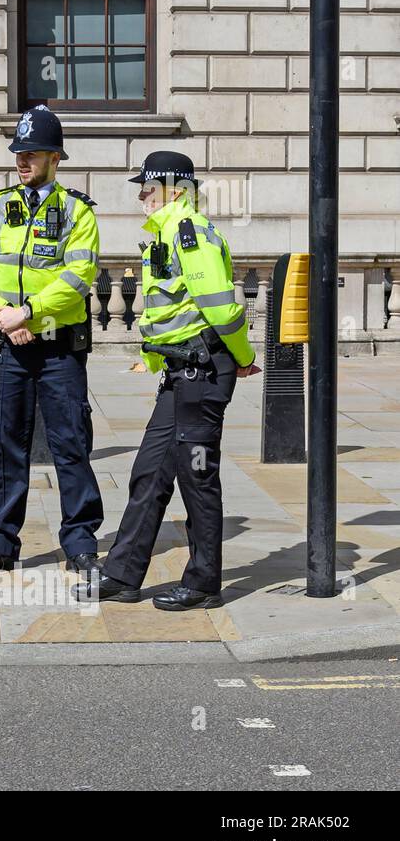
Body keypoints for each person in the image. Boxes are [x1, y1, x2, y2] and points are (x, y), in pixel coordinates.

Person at [74, 151, 260, 611]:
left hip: (202, 372)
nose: (140, 195)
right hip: (180, 374)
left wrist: (243, 357)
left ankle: (203, 583)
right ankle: (122, 574)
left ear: (175, 189)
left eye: (148, 186)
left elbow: (219, 304)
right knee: (149, 472)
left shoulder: (188, 232)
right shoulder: (166, 234)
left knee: (196, 476)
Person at [0, 105, 103, 578]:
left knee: (70, 442)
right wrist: (4, 314)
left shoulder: (77, 211)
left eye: (32, 153)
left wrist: (30, 311)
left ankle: (80, 542)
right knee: (5, 442)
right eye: (19, 152)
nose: (22, 161)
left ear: (55, 157)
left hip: (58, 346)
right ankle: (0, 542)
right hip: (8, 343)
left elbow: (78, 275)